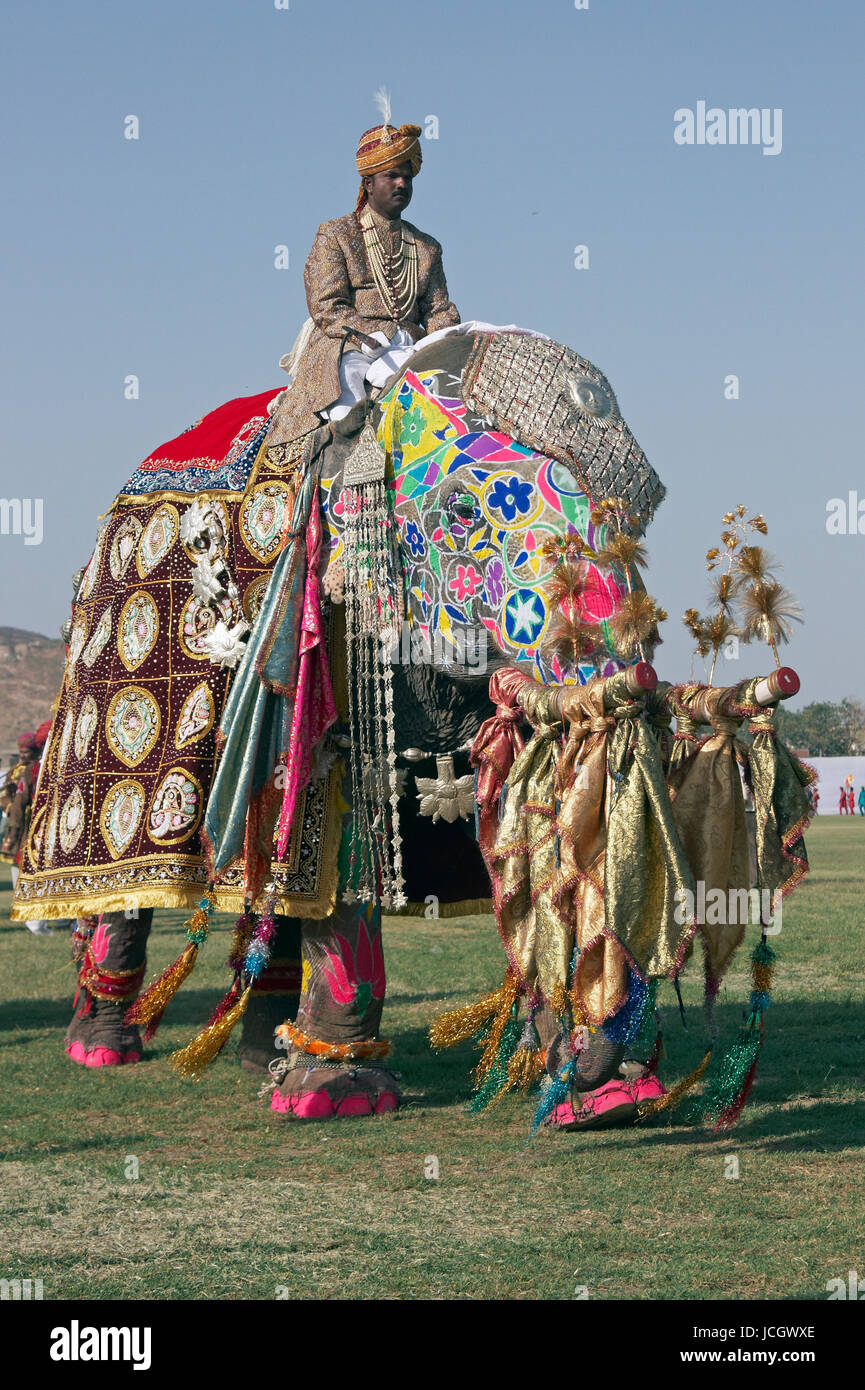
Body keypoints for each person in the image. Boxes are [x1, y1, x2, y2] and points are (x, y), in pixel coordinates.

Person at [266, 95, 460, 450]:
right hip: (351, 344)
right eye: (392, 176)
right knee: (347, 385)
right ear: (368, 183)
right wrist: (374, 334)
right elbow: (327, 306)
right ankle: (345, 445)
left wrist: (442, 342)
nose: (402, 184)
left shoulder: (427, 247)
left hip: (411, 346)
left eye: (407, 177)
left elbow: (438, 311)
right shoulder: (336, 234)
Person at [1, 726, 52, 934]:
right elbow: (11, 801)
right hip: (23, 832)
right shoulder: (19, 771)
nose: (23, 757)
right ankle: (35, 923)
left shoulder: (36, 770)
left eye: (27, 754)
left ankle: (47, 921)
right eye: (21, 754)